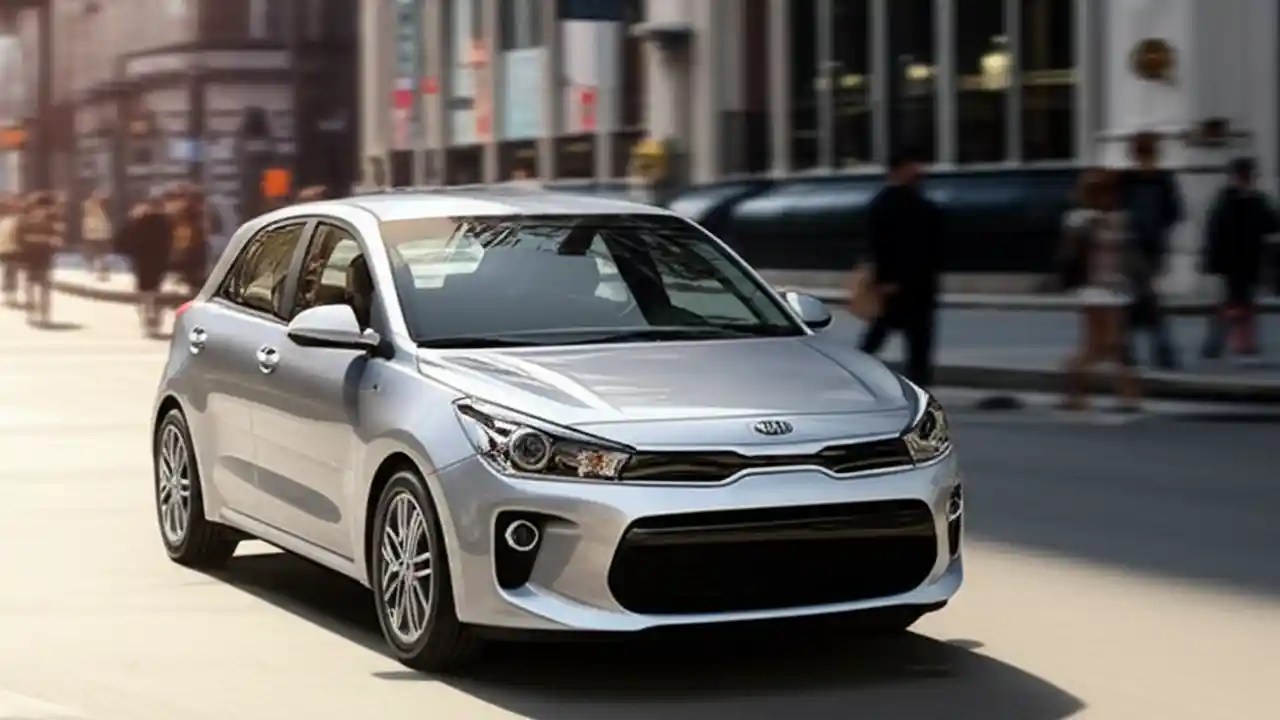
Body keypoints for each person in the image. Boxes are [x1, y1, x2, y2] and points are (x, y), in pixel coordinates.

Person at [859, 148, 945, 387]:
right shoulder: (888, 204)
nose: (920, 171)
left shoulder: (911, 200)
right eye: (913, 166)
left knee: (915, 338)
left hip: (918, 281)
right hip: (897, 282)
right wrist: (884, 279)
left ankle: (919, 383)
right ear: (899, 170)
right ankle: (852, 371)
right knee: (882, 332)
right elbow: (880, 245)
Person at [1059, 169, 1143, 412]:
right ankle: (1076, 390)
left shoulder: (1120, 218)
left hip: (1118, 288)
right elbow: (1069, 255)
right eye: (1105, 192)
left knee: (1118, 346)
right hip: (1095, 290)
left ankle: (1126, 396)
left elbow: (1129, 253)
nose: (1111, 197)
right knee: (1099, 346)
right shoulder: (1079, 220)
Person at [1200, 157, 1280, 361]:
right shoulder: (1226, 202)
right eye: (1244, 176)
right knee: (1232, 304)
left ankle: (1241, 342)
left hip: (1250, 260)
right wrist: (1213, 262)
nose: (1247, 180)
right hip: (1232, 262)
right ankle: (1219, 344)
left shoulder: (1256, 201)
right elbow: (1215, 234)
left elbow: (1272, 224)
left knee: (1242, 303)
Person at [1117, 131, 1183, 369]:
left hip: (1151, 245)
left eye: (1148, 154)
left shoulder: (1163, 180)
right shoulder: (1127, 180)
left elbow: (1174, 211)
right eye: (1142, 154)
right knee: (1146, 296)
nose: (1145, 160)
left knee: (1142, 298)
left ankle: (1129, 347)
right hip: (1132, 246)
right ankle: (1160, 349)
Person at [116, 198, 173, 336]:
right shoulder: (165, 221)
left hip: (141, 259)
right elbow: (170, 240)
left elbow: (124, 238)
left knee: (144, 289)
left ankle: (147, 316)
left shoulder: (137, 219)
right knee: (155, 288)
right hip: (159, 258)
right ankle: (154, 318)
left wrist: (129, 254)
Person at [18, 192, 62, 326]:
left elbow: (56, 238)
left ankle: (45, 312)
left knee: (45, 285)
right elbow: (20, 239)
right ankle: (31, 309)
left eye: (44, 208)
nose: (42, 211)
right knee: (30, 284)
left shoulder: (51, 222)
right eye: (39, 207)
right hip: (29, 257)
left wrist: (53, 242)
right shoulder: (25, 221)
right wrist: (43, 240)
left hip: (45, 256)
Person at [81, 188, 114, 281]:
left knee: (102, 255)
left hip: (100, 234)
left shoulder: (101, 209)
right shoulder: (90, 206)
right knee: (97, 254)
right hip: (94, 235)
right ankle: (97, 271)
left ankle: (102, 272)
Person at [0, 197, 22, 307]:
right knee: (9, 272)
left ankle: (10, 295)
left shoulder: (12, 221)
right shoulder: (8, 221)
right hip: (7, 250)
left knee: (10, 272)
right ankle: (9, 295)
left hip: (11, 250)